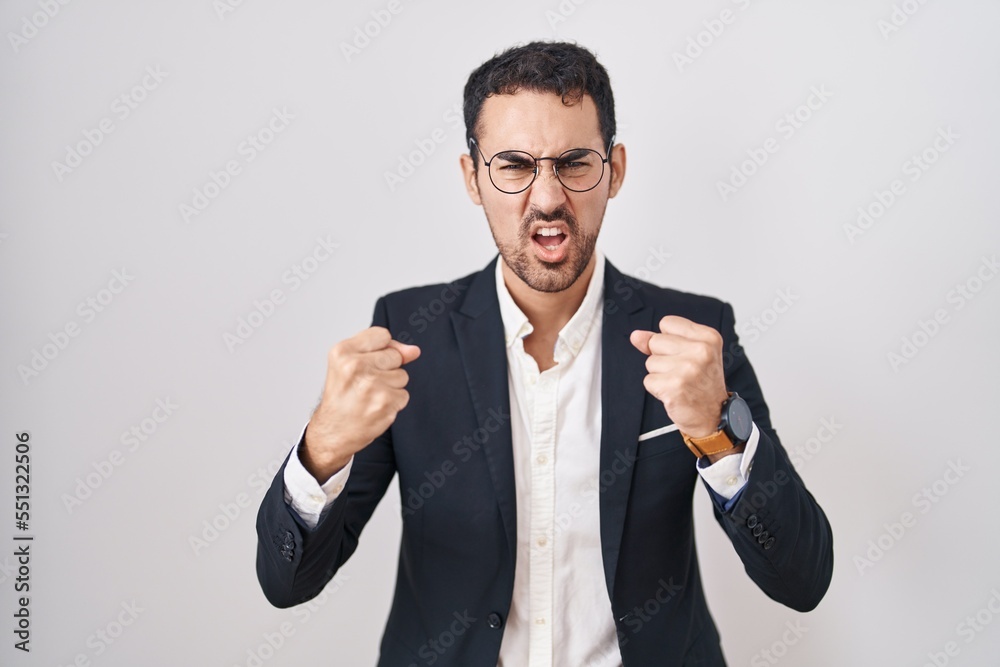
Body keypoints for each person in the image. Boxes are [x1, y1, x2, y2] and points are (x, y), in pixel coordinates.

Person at [256, 41, 833, 667]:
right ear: (473, 178)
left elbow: (802, 580)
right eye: (514, 166)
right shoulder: (408, 335)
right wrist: (322, 447)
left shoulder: (696, 339)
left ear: (614, 170)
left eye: (575, 163)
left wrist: (717, 431)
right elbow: (288, 584)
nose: (549, 197)